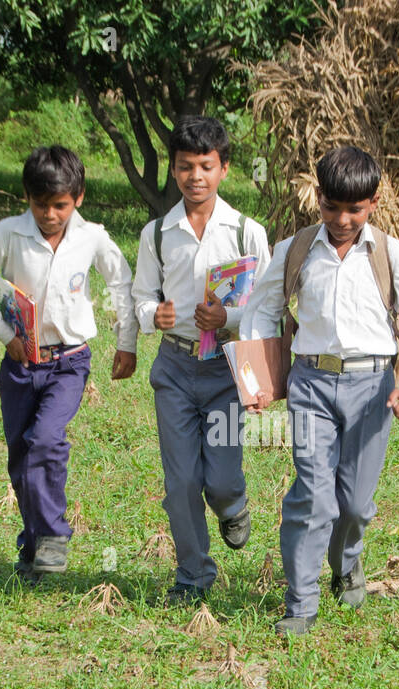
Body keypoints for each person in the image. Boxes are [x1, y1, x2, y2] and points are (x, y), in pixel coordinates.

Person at [241, 145, 399, 634]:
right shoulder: (294, 249)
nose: (342, 219)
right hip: (310, 381)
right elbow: (260, 311)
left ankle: (347, 559)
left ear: (374, 201)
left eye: (354, 209)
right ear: (318, 198)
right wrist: (255, 379)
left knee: (354, 504)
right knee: (313, 495)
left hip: (374, 386)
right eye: (331, 207)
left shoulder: (395, 255)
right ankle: (301, 601)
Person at [0, 144, 134, 579]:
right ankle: (34, 548)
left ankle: (54, 534)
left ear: (79, 197)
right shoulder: (7, 234)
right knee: (21, 460)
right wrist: (4, 332)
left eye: (60, 205)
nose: (50, 214)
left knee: (45, 440)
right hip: (20, 364)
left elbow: (121, 280)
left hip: (69, 362)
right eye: (41, 204)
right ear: (27, 197)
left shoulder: (91, 236)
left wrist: (125, 341)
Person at [127, 116, 271, 606]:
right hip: (174, 369)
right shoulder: (158, 234)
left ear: (224, 168)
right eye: (185, 167)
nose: (195, 177)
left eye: (206, 167)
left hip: (226, 370)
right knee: (181, 480)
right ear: (174, 168)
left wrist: (226, 313)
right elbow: (141, 297)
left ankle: (233, 506)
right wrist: (156, 315)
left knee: (222, 479)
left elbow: (266, 308)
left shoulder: (248, 232)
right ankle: (192, 574)